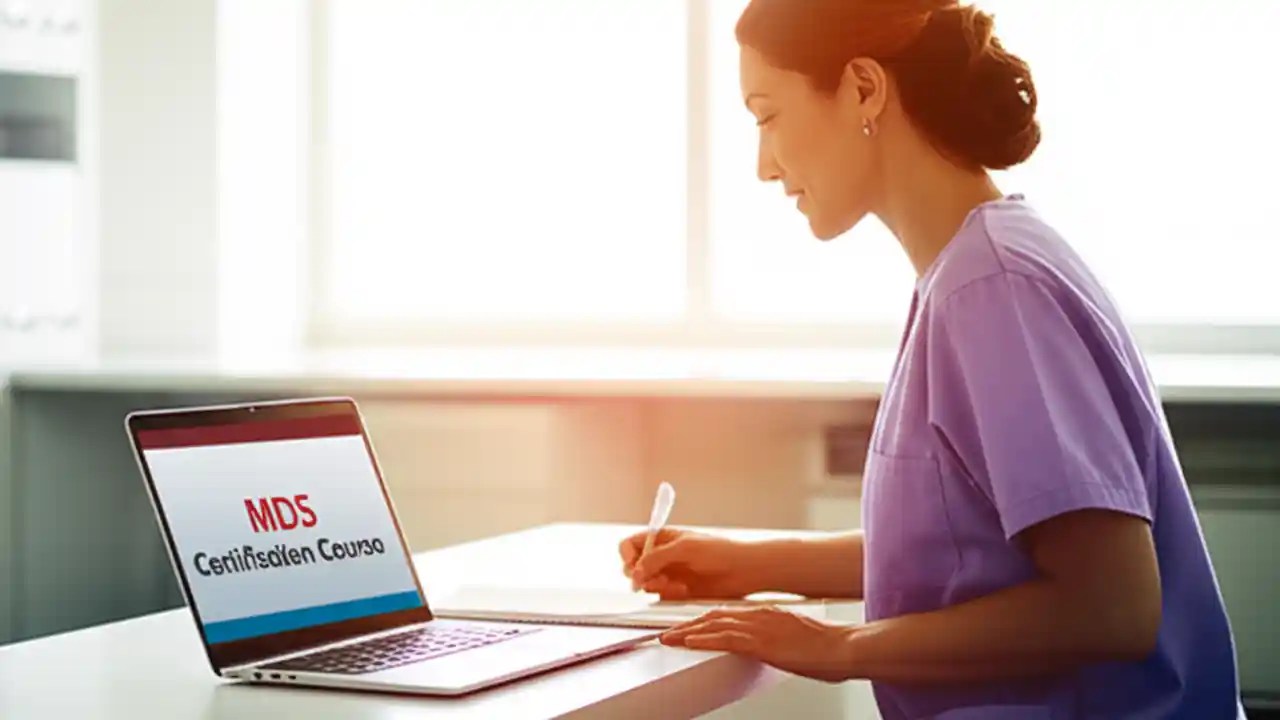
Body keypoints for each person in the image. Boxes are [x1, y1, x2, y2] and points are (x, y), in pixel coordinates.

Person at [619, 1, 1245, 717]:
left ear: (863, 88)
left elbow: (1111, 606)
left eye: (767, 116)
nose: (764, 166)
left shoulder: (994, 288)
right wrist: (749, 563)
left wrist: (844, 647)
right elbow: (965, 552)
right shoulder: (973, 268)